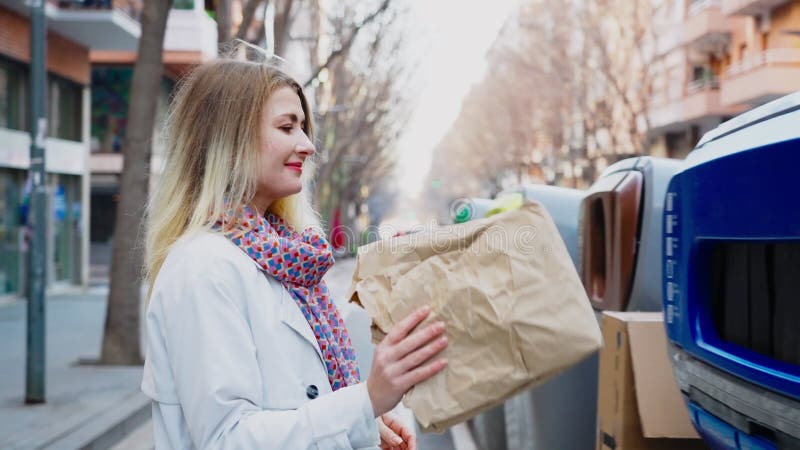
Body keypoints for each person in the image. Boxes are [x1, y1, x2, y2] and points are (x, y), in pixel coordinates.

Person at [140, 51, 449, 449]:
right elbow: (226, 439)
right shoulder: (204, 267)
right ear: (229, 139)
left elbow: (300, 398)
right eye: (287, 127)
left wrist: (365, 426)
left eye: (303, 128)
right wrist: (365, 398)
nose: (307, 145)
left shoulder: (283, 258)